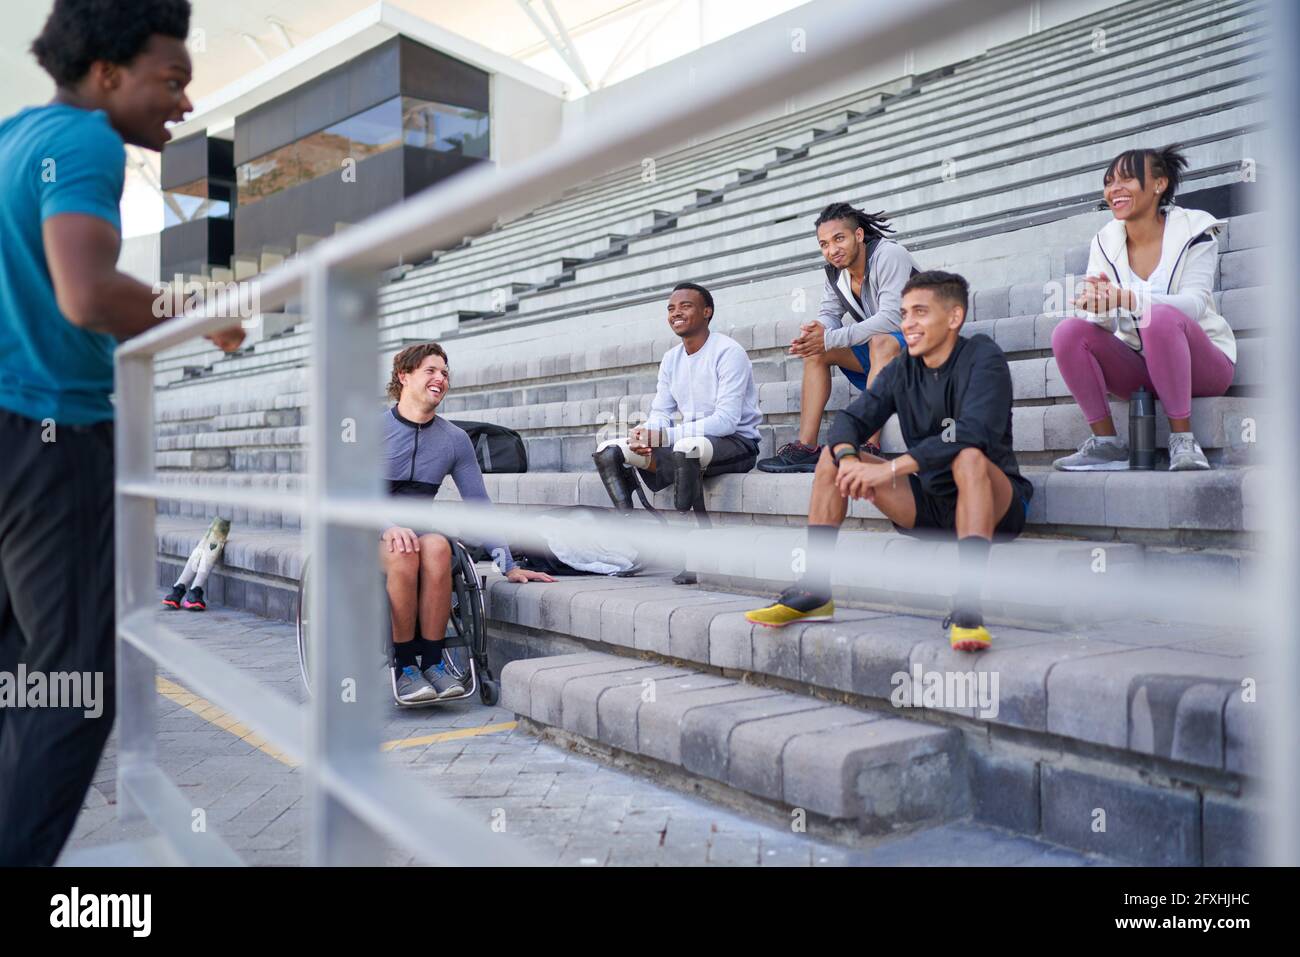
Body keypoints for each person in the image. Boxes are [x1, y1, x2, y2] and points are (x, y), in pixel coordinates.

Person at [0, 0, 245, 866]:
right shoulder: (90, 141)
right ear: (106, 73)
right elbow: (85, 291)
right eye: (170, 79)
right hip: (49, 437)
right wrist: (197, 307)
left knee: (20, 675)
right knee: (72, 687)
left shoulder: (11, 135)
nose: (183, 103)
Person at [745, 272, 1032, 653]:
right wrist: (849, 459)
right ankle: (815, 589)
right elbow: (851, 420)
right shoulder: (903, 367)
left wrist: (890, 468)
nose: (907, 323)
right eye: (903, 313)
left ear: (954, 317)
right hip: (928, 501)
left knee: (969, 458)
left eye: (919, 312)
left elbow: (972, 432)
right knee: (832, 457)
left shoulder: (982, 356)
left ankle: (967, 607)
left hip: (994, 504)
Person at [381, 343, 554, 704]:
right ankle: (405, 667)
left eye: (445, 373)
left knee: (438, 547)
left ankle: (433, 663)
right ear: (404, 376)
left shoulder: (454, 440)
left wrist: (507, 563)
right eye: (431, 370)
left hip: (418, 532)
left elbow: (478, 504)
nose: (440, 378)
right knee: (404, 549)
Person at [1051, 145, 1236, 472]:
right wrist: (1096, 305)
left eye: (1126, 179)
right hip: (1143, 367)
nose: (1113, 189)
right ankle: (1107, 444)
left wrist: (1126, 298)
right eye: (1109, 182)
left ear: (1159, 184)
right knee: (1069, 331)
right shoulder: (1105, 240)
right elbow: (1104, 323)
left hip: (1204, 366)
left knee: (1159, 316)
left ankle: (1183, 440)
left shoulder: (1194, 230)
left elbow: (1194, 305)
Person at [592, 282, 762, 584]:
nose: (675, 313)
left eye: (685, 306)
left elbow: (725, 421)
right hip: (689, 440)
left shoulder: (728, 352)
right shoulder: (671, 359)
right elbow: (661, 414)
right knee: (610, 451)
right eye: (671, 308)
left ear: (707, 312)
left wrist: (664, 438)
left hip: (737, 443)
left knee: (685, 448)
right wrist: (645, 434)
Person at [757, 202, 920, 472]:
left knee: (879, 340)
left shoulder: (890, 255)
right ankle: (806, 447)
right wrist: (816, 331)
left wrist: (831, 338)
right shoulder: (836, 273)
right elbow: (830, 313)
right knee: (817, 351)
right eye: (823, 244)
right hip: (885, 357)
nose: (831, 250)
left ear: (858, 235)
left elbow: (893, 318)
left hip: (924, 353)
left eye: (838, 238)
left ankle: (869, 446)